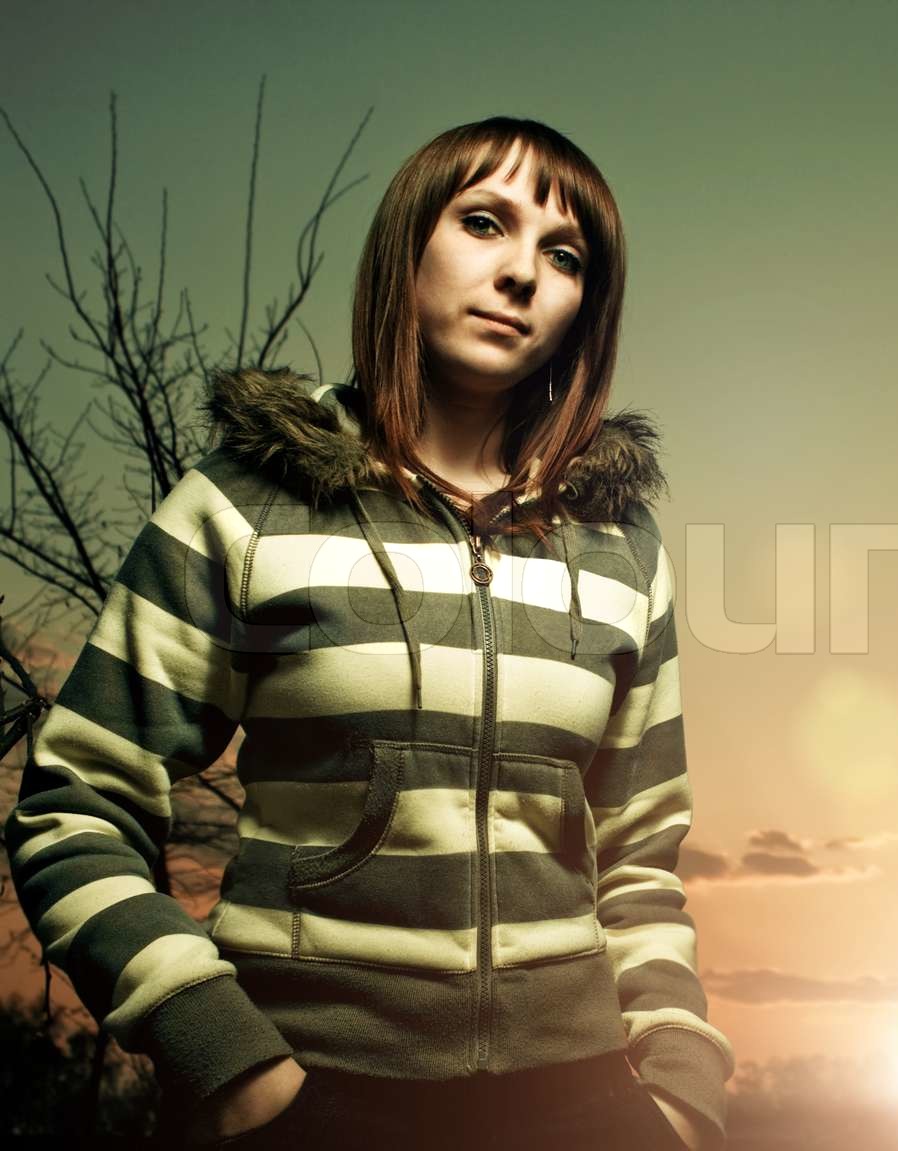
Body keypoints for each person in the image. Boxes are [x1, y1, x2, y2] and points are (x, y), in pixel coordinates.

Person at [3, 117, 733, 1149]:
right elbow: (74, 805)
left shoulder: (619, 550)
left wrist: (680, 1095)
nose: (521, 272)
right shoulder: (246, 507)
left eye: (563, 255)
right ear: (408, 246)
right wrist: (230, 1065)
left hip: (581, 1103)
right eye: (484, 222)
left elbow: (640, 859)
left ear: (585, 308)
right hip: (316, 1097)